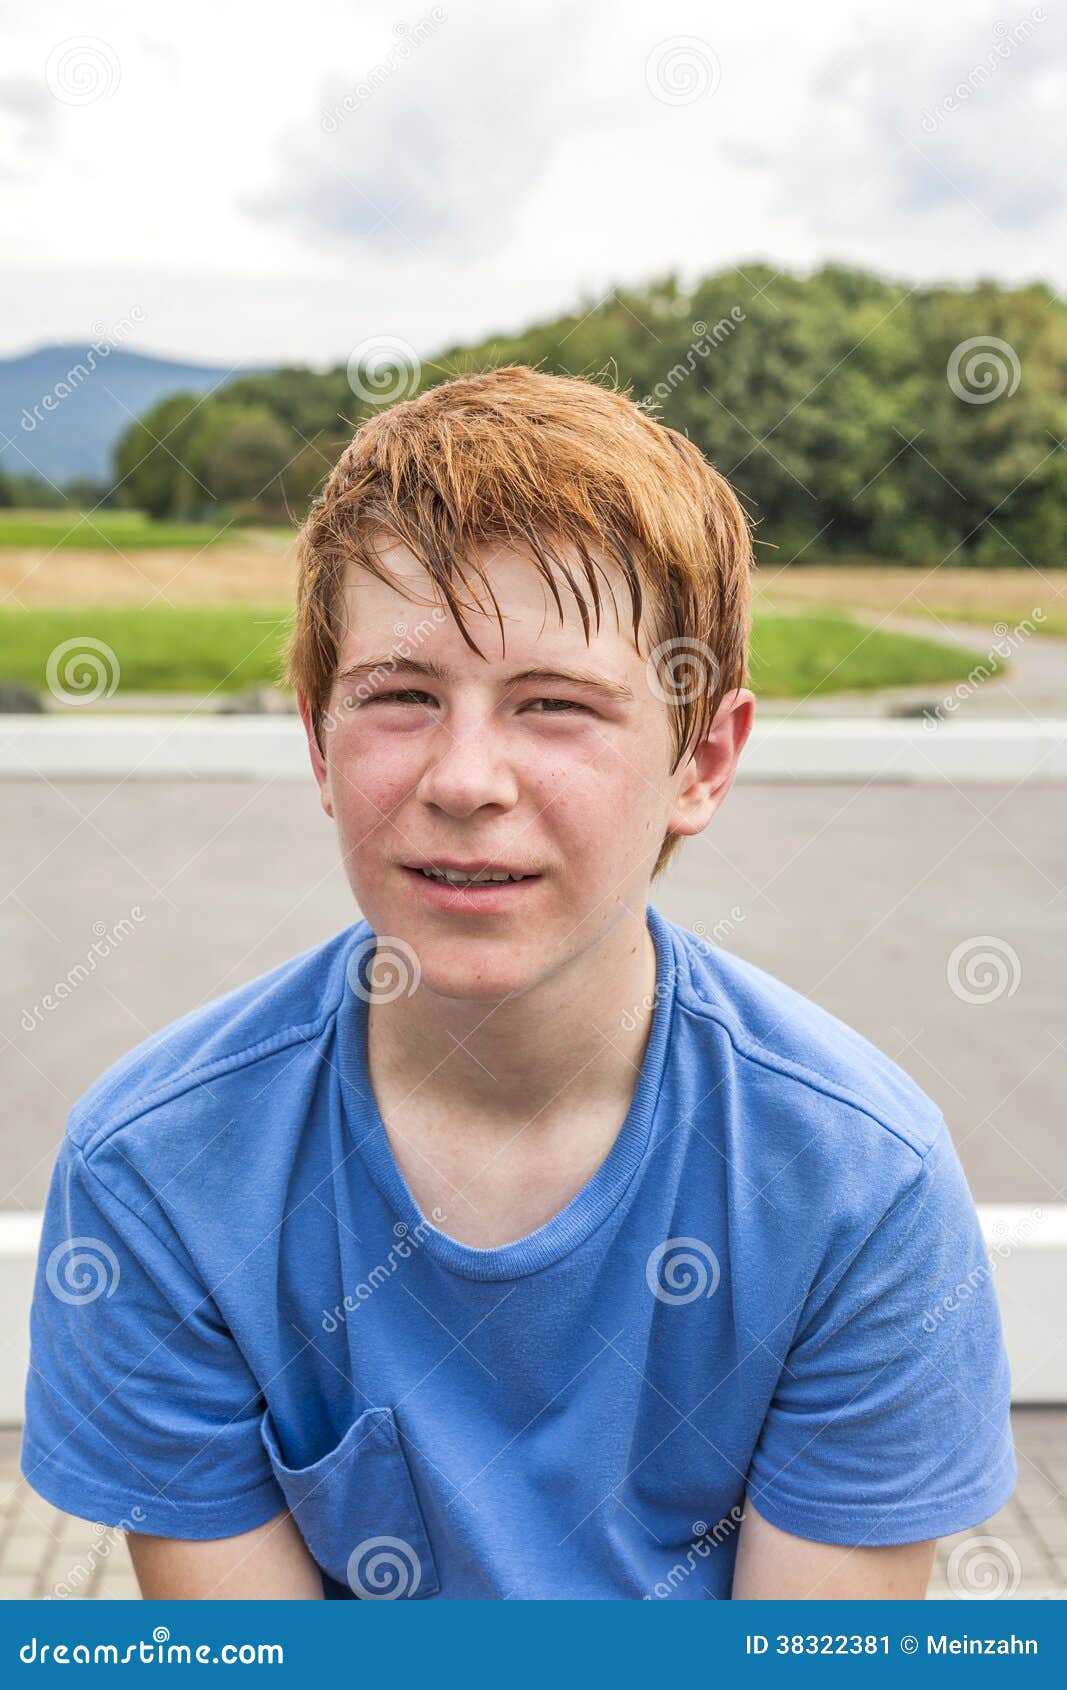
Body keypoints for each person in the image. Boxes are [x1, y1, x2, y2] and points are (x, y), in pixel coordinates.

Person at [22, 366, 1015, 1600]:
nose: (465, 778)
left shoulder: (857, 1187)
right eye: (400, 696)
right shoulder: (157, 1170)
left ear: (700, 760)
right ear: (314, 739)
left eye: (553, 704)